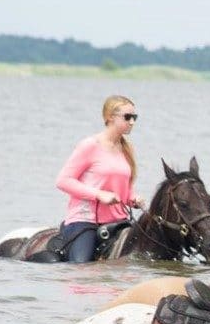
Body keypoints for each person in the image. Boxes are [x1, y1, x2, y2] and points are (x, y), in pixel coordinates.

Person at [55, 95, 144, 262]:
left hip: (119, 221)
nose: (132, 122)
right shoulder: (90, 145)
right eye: (127, 117)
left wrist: (132, 198)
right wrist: (98, 194)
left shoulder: (126, 148)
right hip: (85, 221)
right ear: (110, 117)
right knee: (83, 269)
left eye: (134, 117)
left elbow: (121, 187)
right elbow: (63, 180)